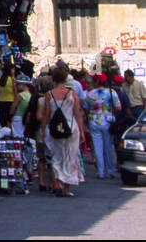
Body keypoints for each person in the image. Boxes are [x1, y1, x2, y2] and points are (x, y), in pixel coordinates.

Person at [40, 65, 85, 196]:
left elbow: (46, 114)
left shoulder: (49, 95)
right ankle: (66, 189)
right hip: (71, 129)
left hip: (55, 129)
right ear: (65, 79)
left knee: (57, 157)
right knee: (70, 157)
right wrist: (82, 131)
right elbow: (77, 114)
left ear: (53, 78)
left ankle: (58, 183)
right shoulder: (71, 94)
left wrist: (43, 130)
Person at [85, 73, 121, 179]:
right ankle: (110, 171)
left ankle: (100, 172)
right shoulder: (111, 92)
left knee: (97, 148)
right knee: (108, 147)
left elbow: (86, 108)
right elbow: (118, 108)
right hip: (107, 122)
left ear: (96, 82)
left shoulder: (90, 93)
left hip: (94, 122)